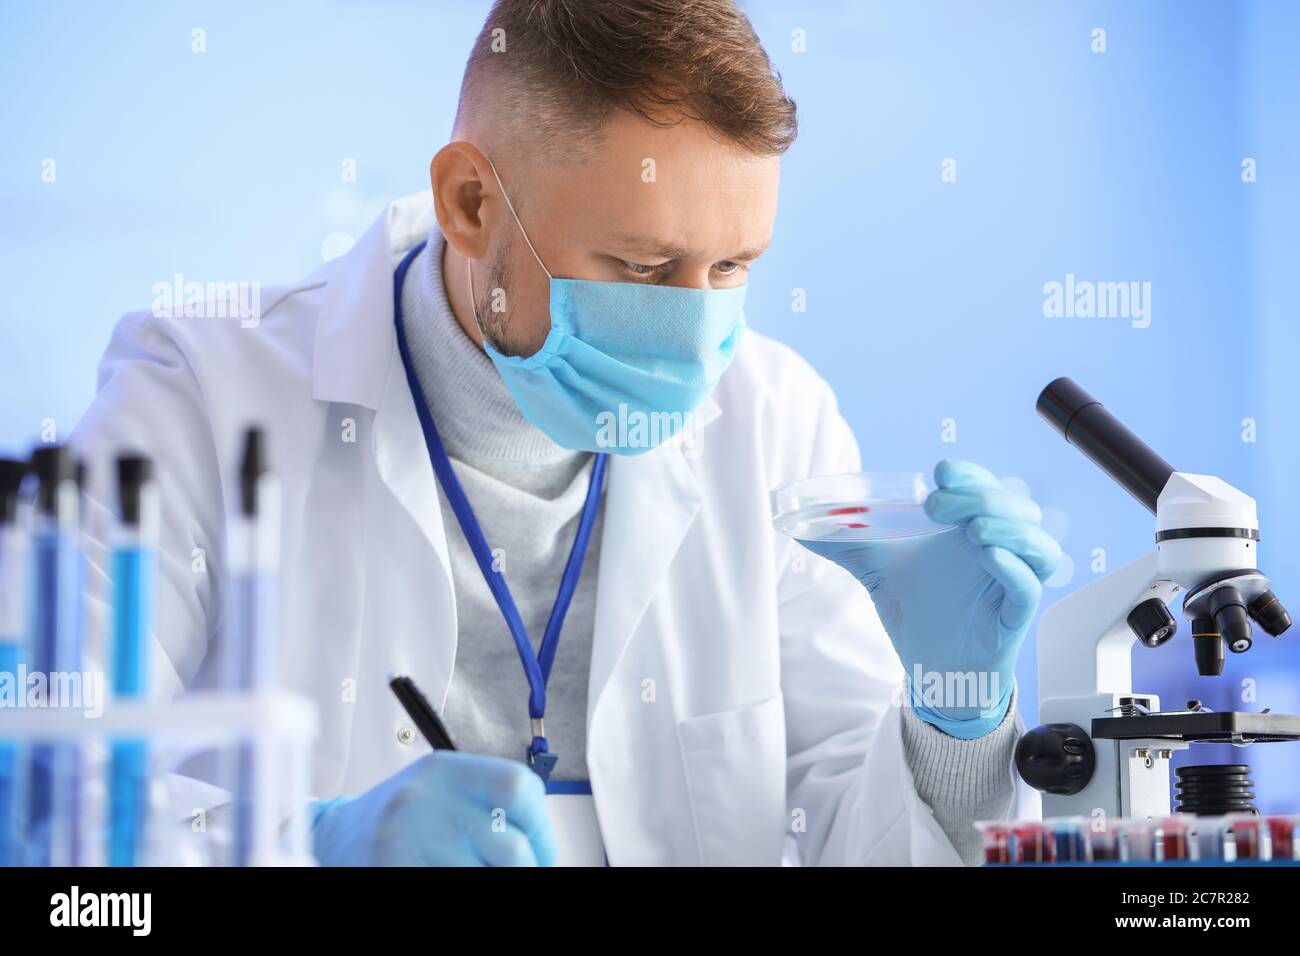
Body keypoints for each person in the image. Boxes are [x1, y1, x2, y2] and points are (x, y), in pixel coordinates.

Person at [70, 0, 1060, 865]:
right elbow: (47, 790)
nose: (694, 328)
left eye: (731, 269)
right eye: (641, 267)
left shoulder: (774, 419)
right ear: (470, 202)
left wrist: (954, 710)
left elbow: (867, 847)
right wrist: (309, 845)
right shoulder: (200, 393)